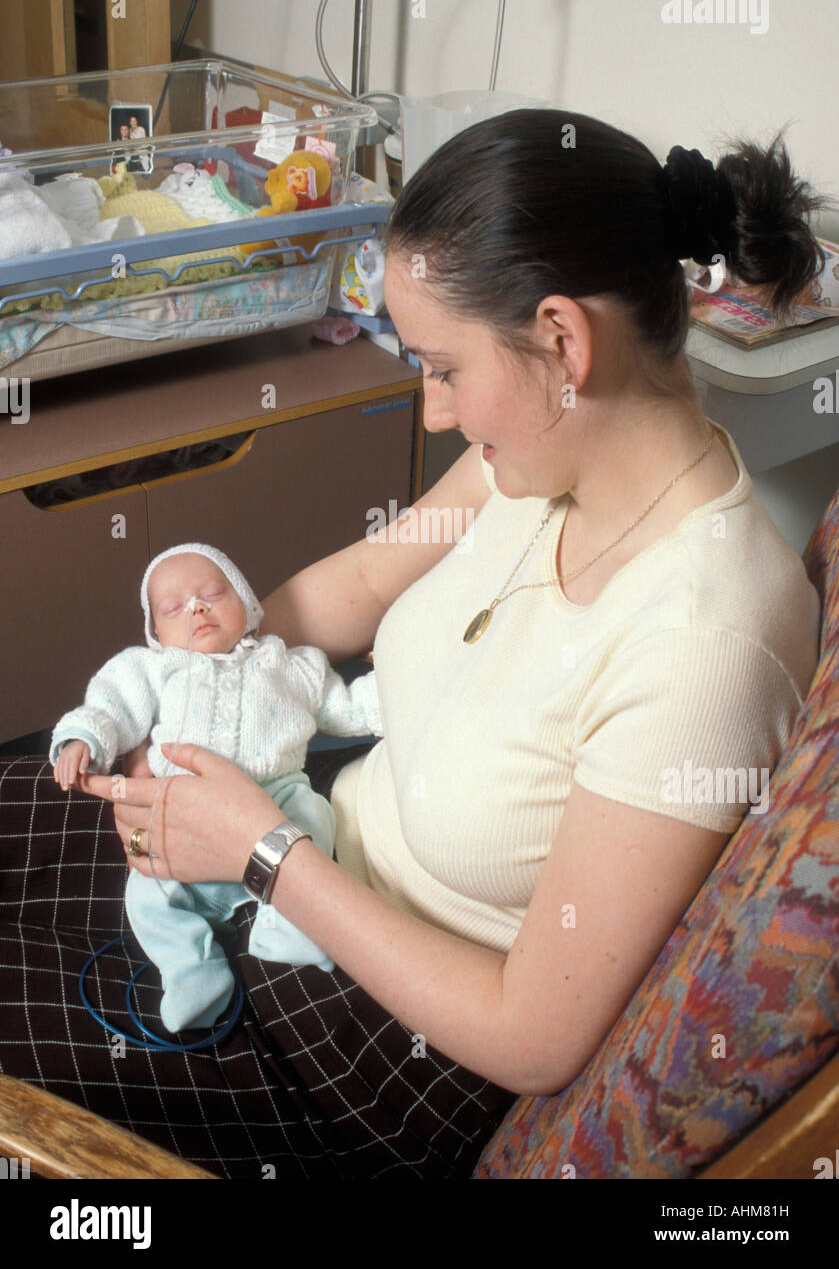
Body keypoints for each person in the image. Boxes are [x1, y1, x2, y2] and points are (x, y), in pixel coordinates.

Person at [0, 110, 826, 1180]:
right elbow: (351, 586)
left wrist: (256, 851)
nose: (431, 413)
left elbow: (533, 1032)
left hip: (382, 1043)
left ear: (563, 342)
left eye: (441, 368)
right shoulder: (517, 463)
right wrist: (191, 673)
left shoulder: (705, 644)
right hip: (313, 838)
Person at [49, 543, 383, 1033]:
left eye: (211, 594)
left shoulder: (291, 664)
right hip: (180, 823)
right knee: (145, 895)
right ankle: (191, 970)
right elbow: (111, 706)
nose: (197, 608)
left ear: (248, 605)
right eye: (174, 607)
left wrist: (398, 696)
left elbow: (346, 705)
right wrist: (84, 737)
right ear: (156, 634)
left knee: (315, 814)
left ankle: (288, 925)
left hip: (276, 800)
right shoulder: (152, 669)